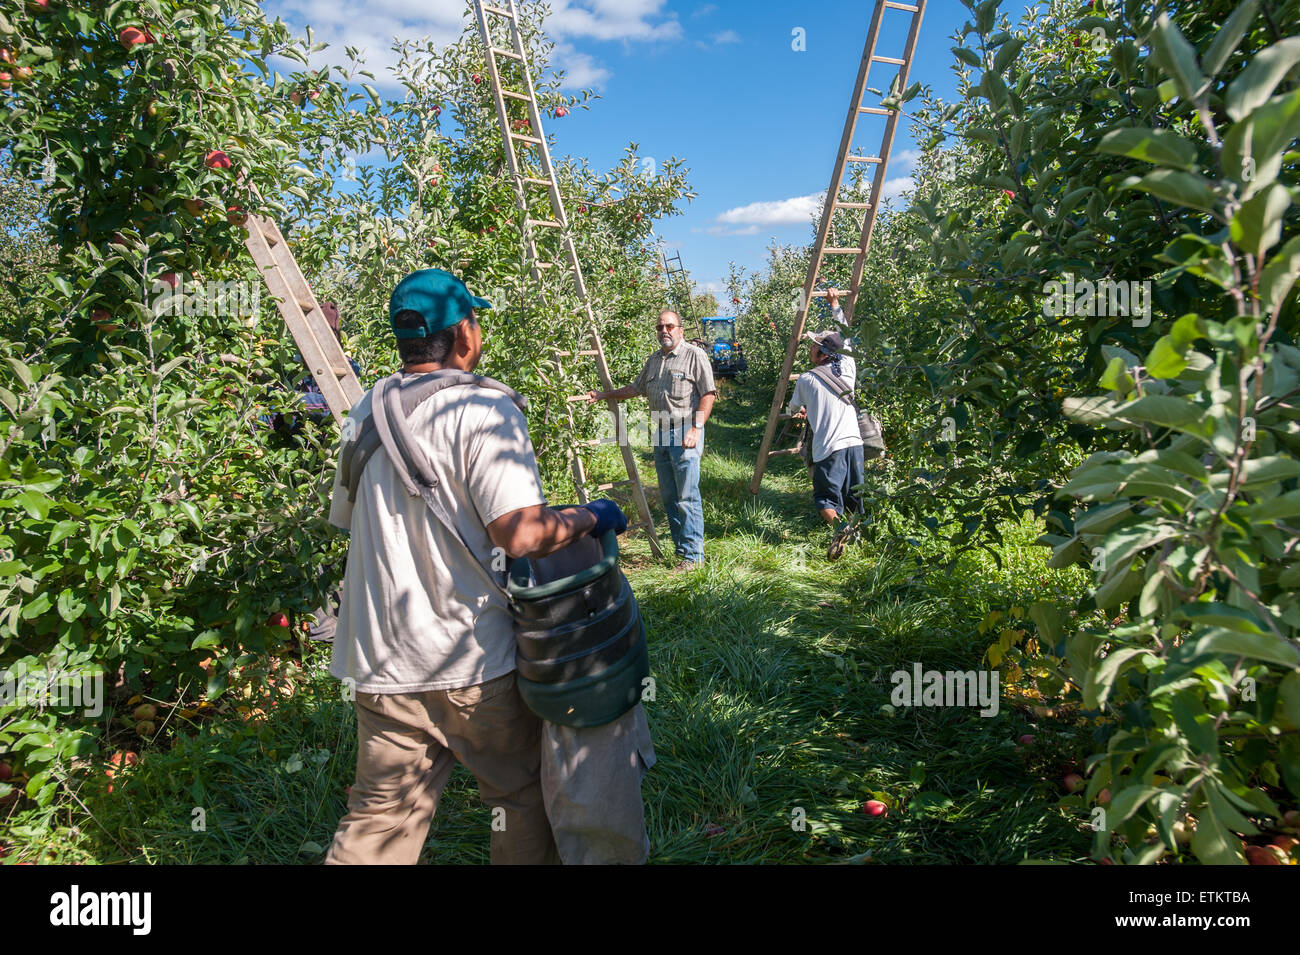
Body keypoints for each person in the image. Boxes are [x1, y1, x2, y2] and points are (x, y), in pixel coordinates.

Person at [323, 268, 637, 865]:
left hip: (378, 660)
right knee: (517, 796)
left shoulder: (367, 412)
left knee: (380, 817)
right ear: (464, 335)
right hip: (468, 660)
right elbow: (519, 533)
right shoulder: (484, 409)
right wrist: (592, 517)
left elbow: (349, 518)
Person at [585, 309, 717, 571]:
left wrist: (696, 428)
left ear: (680, 329)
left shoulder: (694, 355)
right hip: (660, 431)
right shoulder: (655, 359)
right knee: (669, 496)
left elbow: (709, 394)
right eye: (659, 327)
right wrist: (604, 395)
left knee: (687, 496)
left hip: (684, 431)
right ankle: (682, 550)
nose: (664, 331)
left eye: (669, 326)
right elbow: (637, 388)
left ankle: (694, 557)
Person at [787, 328, 864, 561]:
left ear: (822, 354)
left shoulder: (807, 379)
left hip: (828, 447)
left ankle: (840, 529)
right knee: (855, 494)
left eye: (813, 346)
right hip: (855, 443)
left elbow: (792, 408)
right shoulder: (849, 369)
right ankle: (860, 538)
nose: (809, 349)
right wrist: (835, 305)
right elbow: (848, 341)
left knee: (825, 499)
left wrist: (801, 409)